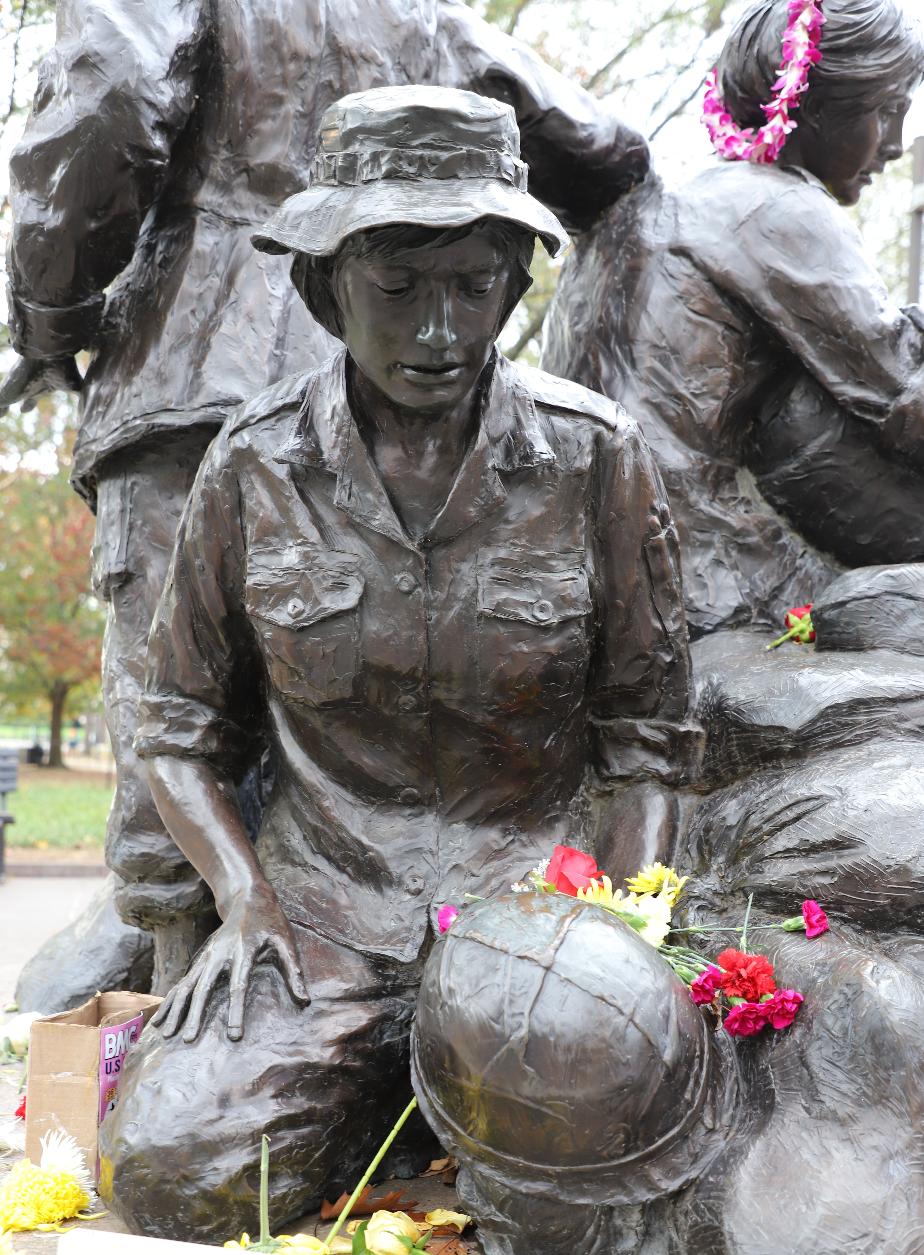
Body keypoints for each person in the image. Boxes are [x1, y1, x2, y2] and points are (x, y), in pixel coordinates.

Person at [98, 85, 700, 1245]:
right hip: (319, 914)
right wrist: (241, 897)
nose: (441, 332)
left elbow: (648, 730)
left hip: (535, 908)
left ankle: (455, 1096)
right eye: (399, 290)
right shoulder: (253, 467)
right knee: (168, 1172)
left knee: (585, 1185)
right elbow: (173, 721)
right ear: (327, 289)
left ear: (515, 286)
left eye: (476, 288)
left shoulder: (592, 458)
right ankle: (393, 1087)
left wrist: (621, 929)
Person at [0, 0, 651, 992]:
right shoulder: (429, 18)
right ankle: (210, 1021)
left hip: (191, 359)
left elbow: (106, 96)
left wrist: (50, 318)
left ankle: (178, 1024)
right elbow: (609, 153)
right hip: (312, 392)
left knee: (175, 733)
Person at [544, 0, 924, 639]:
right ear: (809, 106)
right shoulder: (774, 208)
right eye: (885, 112)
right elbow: (904, 400)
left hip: (597, 562)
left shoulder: (663, 210)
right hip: (709, 577)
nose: (894, 144)